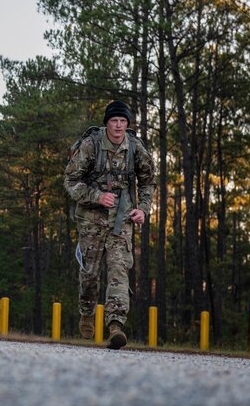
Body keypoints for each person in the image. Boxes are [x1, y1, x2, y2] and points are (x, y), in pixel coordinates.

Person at [64, 100, 155, 349]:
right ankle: (86, 311)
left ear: (127, 124)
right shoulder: (91, 145)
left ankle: (115, 325)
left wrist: (142, 209)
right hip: (91, 218)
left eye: (123, 121)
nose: (118, 126)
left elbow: (148, 181)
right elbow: (71, 181)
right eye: (114, 121)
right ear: (107, 123)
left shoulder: (135, 148)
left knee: (119, 271)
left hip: (121, 219)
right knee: (90, 273)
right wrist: (96, 196)